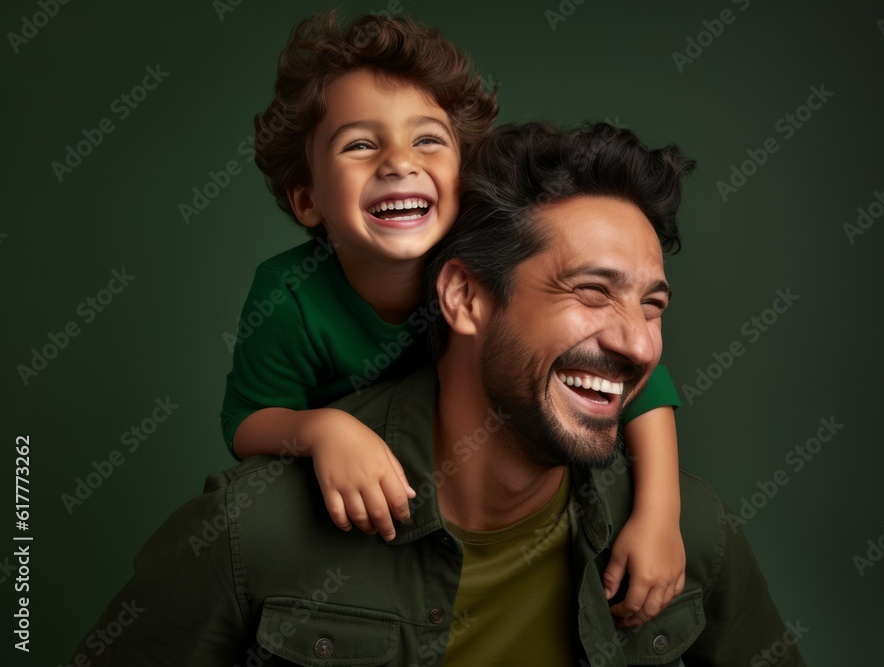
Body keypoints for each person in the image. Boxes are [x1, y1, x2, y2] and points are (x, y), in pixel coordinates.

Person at [72, 122, 805, 666]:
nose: (640, 342)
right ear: (463, 298)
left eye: (653, 305)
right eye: (590, 292)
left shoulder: (685, 530)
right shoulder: (251, 533)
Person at [222, 9, 688, 623]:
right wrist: (320, 432)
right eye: (360, 144)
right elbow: (246, 424)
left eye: (427, 140)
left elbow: (626, 370)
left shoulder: (486, 263)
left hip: (476, 487)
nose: (398, 163)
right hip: (363, 511)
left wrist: (660, 515)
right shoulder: (289, 294)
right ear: (307, 198)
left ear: (462, 175)